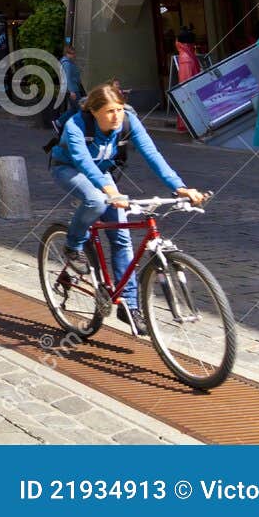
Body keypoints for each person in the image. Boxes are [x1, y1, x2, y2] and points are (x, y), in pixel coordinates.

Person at [50, 82, 208, 335]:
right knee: (96, 200)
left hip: (101, 172)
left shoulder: (128, 121)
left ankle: (129, 306)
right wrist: (110, 192)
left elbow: (152, 155)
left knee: (122, 238)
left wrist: (180, 187)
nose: (117, 116)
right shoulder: (76, 125)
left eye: (120, 109)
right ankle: (73, 245)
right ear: (94, 111)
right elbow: (83, 161)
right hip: (68, 168)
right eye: (110, 111)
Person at [58, 44, 84, 119]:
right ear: (67, 53)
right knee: (80, 109)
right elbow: (67, 78)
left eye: (74, 53)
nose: (74, 55)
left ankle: (58, 122)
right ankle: (79, 124)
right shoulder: (67, 64)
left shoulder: (67, 63)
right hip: (73, 90)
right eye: (72, 53)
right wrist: (72, 91)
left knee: (74, 109)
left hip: (71, 89)